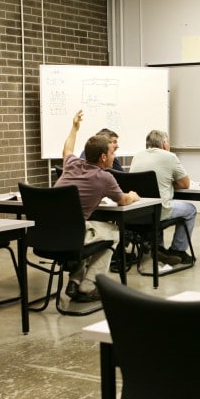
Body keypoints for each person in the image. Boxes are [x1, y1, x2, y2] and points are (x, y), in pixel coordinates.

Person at [55, 111, 140, 302]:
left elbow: (67, 149)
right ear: (103, 157)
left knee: (92, 232)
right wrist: (133, 196)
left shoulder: (72, 164)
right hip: (74, 236)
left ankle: (75, 280)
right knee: (114, 232)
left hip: (49, 235)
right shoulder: (104, 177)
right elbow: (123, 200)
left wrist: (74, 127)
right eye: (112, 153)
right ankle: (88, 285)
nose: (114, 155)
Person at [129, 130, 196, 265]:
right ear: (165, 144)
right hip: (158, 212)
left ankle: (158, 247)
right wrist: (169, 182)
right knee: (190, 210)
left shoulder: (137, 156)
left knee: (157, 203)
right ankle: (177, 250)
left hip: (138, 212)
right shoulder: (170, 157)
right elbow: (185, 184)